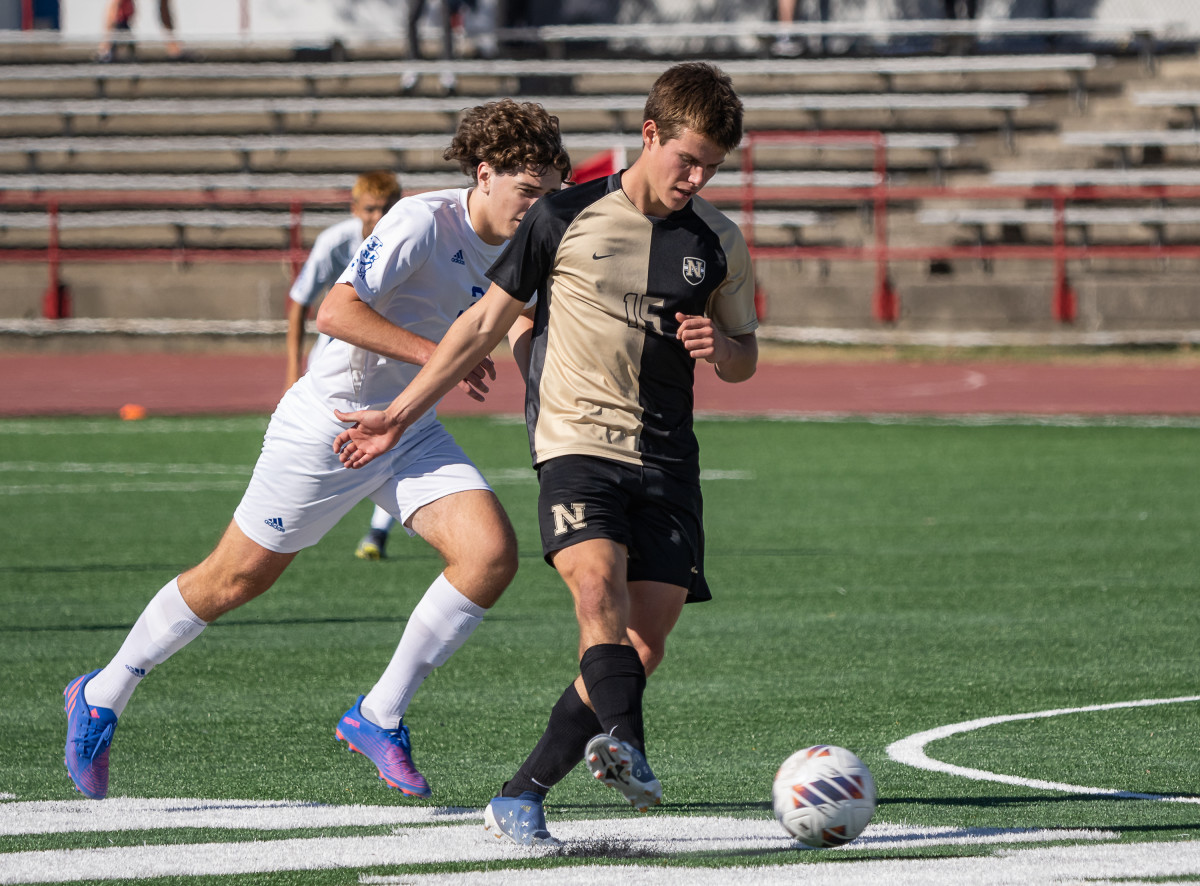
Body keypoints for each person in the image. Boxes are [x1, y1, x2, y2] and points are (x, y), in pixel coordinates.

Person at [62, 99, 571, 802]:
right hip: (329, 425)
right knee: (234, 580)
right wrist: (442, 358)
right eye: (528, 190)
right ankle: (101, 693)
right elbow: (336, 311)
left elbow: (519, 318)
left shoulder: (530, 238)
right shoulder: (422, 221)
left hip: (407, 425)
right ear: (484, 174)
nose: (538, 204)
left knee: (489, 555)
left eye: (548, 192)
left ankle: (377, 715)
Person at [331, 61, 758, 846]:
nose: (695, 179)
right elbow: (481, 326)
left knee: (643, 642)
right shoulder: (562, 215)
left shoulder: (718, 241)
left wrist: (720, 344)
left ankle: (522, 793)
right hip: (574, 444)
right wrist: (395, 413)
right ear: (650, 134)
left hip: (667, 458)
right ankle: (628, 746)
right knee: (596, 588)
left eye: (712, 168)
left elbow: (745, 358)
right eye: (686, 159)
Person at [283, 170, 403, 562]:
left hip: (388, 361)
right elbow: (301, 300)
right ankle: (283, 523)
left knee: (396, 442)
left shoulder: (412, 239)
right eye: (370, 209)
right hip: (333, 362)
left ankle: (377, 533)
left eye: (387, 208)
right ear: (355, 209)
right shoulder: (335, 242)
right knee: (319, 444)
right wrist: (291, 369)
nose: (379, 216)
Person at [96, 0, 183, 62]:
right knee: (117, 4)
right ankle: (106, 48)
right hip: (120, 23)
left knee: (163, 4)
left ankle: (174, 48)